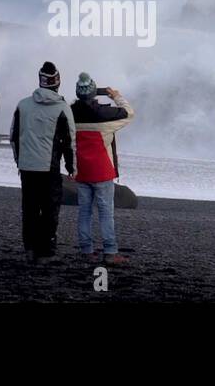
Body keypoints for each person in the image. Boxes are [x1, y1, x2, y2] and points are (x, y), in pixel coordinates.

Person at [10, 62, 76, 263]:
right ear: (57, 82)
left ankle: (30, 248)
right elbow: (69, 141)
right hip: (49, 169)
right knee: (49, 209)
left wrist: (19, 161)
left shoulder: (23, 105)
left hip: (27, 167)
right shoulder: (63, 108)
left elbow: (14, 137)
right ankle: (45, 251)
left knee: (29, 209)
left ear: (40, 81)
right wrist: (71, 167)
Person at [70, 72, 134, 265]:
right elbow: (129, 113)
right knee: (106, 212)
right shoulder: (104, 116)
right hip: (102, 171)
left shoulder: (70, 114)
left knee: (84, 211)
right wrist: (115, 96)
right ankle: (110, 251)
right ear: (93, 94)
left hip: (81, 170)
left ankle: (86, 250)